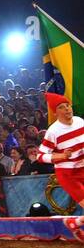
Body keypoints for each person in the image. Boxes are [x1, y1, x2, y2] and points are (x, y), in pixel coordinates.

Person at [37, 93, 84, 235]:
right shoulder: (53, 131)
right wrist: (62, 155)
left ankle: (74, 223)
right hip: (68, 174)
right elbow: (40, 156)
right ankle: (74, 223)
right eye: (62, 107)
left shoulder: (80, 121)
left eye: (68, 106)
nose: (67, 109)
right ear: (55, 112)